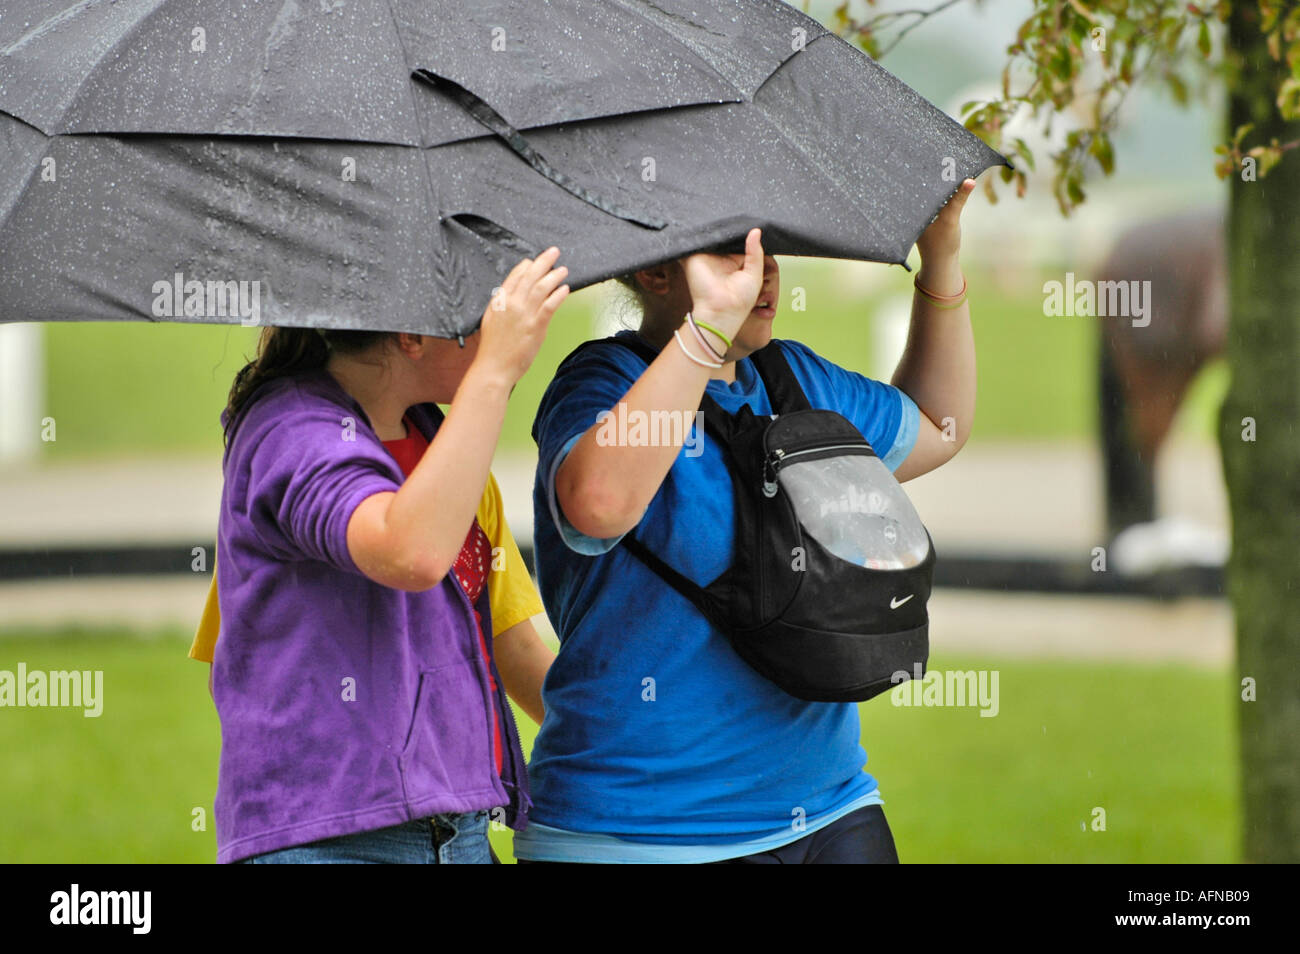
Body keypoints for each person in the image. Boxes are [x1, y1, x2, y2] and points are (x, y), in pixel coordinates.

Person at [517, 181, 979, 864]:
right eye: (735, 252)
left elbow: (940, 426)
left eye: (770, 245)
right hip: (642, 834)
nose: (765, 271)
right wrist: (705, 333)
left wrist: (940, 255)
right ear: (655, 270)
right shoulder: (600, 383)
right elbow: (598, 506)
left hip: (832, 811)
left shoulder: (791, 379)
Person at [194, 249, 569, 864]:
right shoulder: (290, 430)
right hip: (332, 840)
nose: (509, 332)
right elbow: (409, 551)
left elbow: (510, 645)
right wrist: (493, 375)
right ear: (413, 334)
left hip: (459, 831)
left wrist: (623, 745)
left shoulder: (437, 439)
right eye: (489, 314)